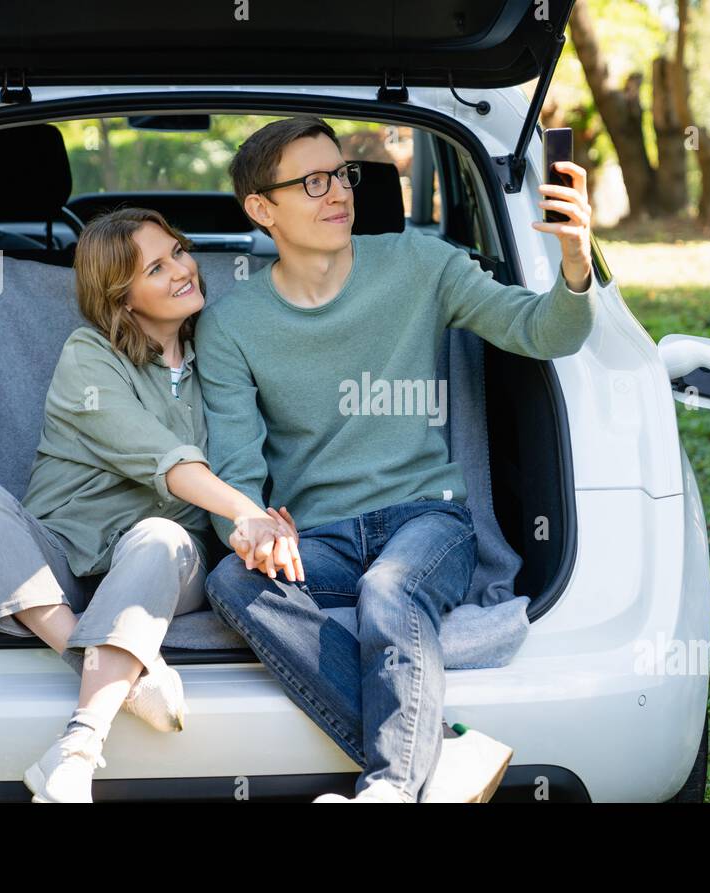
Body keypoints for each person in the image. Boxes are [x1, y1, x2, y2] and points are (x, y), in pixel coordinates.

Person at [196, 116, 598, 802]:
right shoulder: (230, 323)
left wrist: (575, 262)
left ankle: (391, 786)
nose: (339, 193)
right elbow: (236, 469)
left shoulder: (419, 262)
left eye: (342, 174)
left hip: (426, 520)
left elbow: (542, 330)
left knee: (389, 590)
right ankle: (443, 759)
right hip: (317, 538)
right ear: (262, 209)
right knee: (233, 581)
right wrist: (253, 528)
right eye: (313, 181)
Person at [0, 207, 301, 803]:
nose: (184, 270)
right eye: (156, 268)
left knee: (161, 535)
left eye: (178, 251)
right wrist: (245, 512)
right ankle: (119, 678)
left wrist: (264, 516)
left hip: (160, 572)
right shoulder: (89, 355)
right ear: (122, 299)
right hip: (61, 567)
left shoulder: (222, 357)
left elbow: (251, 452)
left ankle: (77, 747)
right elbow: (162, 456)